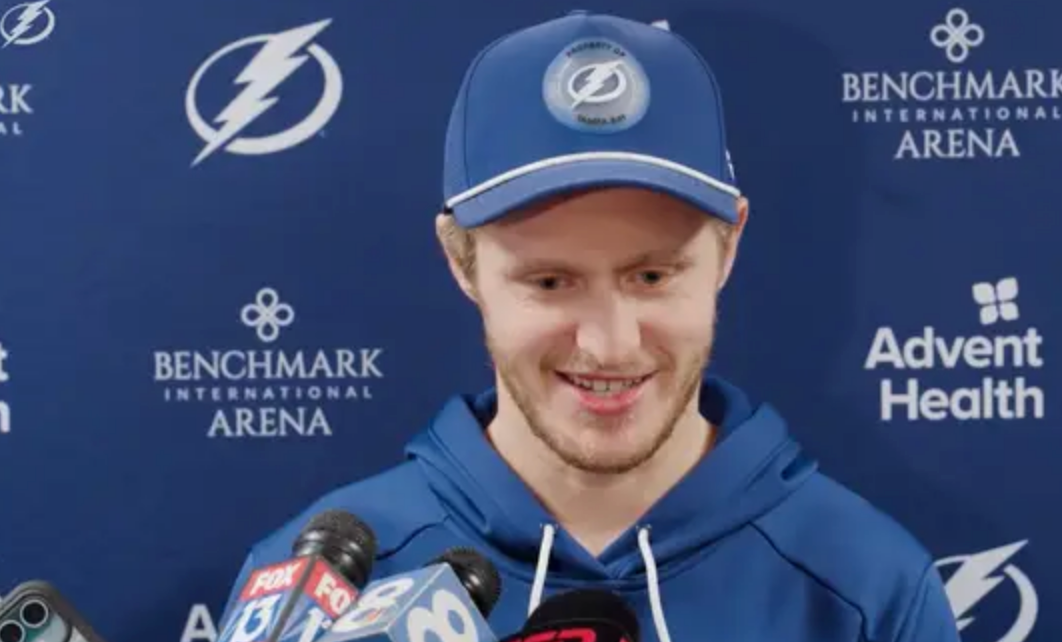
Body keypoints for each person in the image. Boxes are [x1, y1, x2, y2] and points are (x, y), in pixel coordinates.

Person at [222, 11, 961, 642]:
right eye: (550, 281)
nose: (610, 344)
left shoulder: (866, 586)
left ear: (728, 246)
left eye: (652, 276)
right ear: (461, 260)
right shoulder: (313, 586)